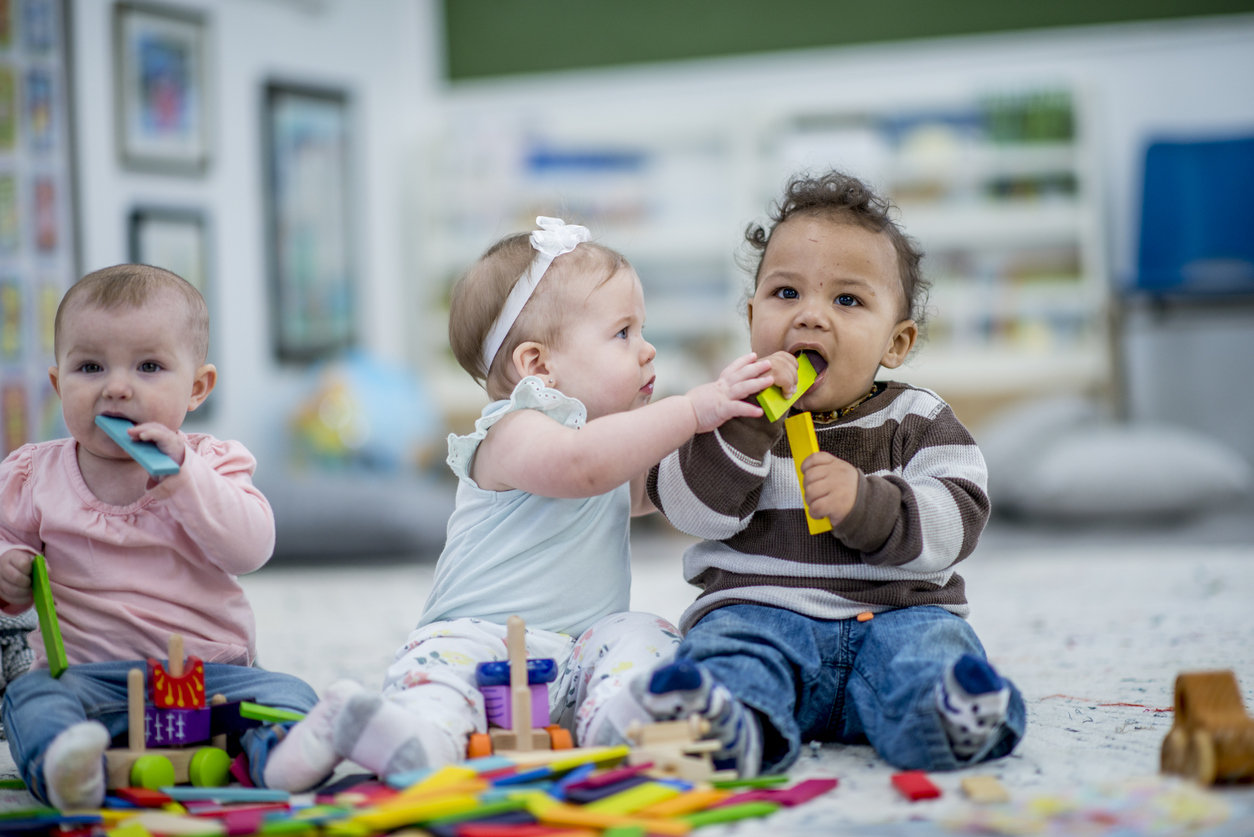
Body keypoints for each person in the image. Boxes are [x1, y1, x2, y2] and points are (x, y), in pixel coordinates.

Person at [263, 217, 774, 791]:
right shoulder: (513, 431)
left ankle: (621, 715)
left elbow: (665, 489)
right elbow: (583, 466)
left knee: (644, 631)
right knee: (441, 681)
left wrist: (733, 433)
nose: (647, 348)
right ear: (537, 366)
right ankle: (397, 731)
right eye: (623, 333)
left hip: (580, 649)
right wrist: (689, 410)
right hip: (479, 638)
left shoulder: (606, 439)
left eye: (643, 329)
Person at [638, 171, 1026, 777]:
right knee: (727, 651)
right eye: (786, 294)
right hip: (761, 614)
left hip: (897, 616)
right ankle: (727, 725)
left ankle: (952, 717)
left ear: (895, 343)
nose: (810, 318)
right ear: (751, 315)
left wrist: (869, 505)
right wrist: (744, 429)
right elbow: (689, 510)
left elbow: (962, 517)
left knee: (933, 653)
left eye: (847, 300)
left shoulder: (917, 419)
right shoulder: (723, 409)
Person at [0, 264, 317, 809]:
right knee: (27, 697)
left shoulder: (214, 464)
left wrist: (187, 479)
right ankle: (67, 765)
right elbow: (6, 551)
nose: (116, 386)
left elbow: (252, 547)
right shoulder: (34, 475)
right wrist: (8, 566)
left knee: (291, 695)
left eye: (149, 366)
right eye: (90, 366)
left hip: (209, 675)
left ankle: (282, 758)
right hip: (89, 681)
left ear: (197, 388)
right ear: (58, 383)